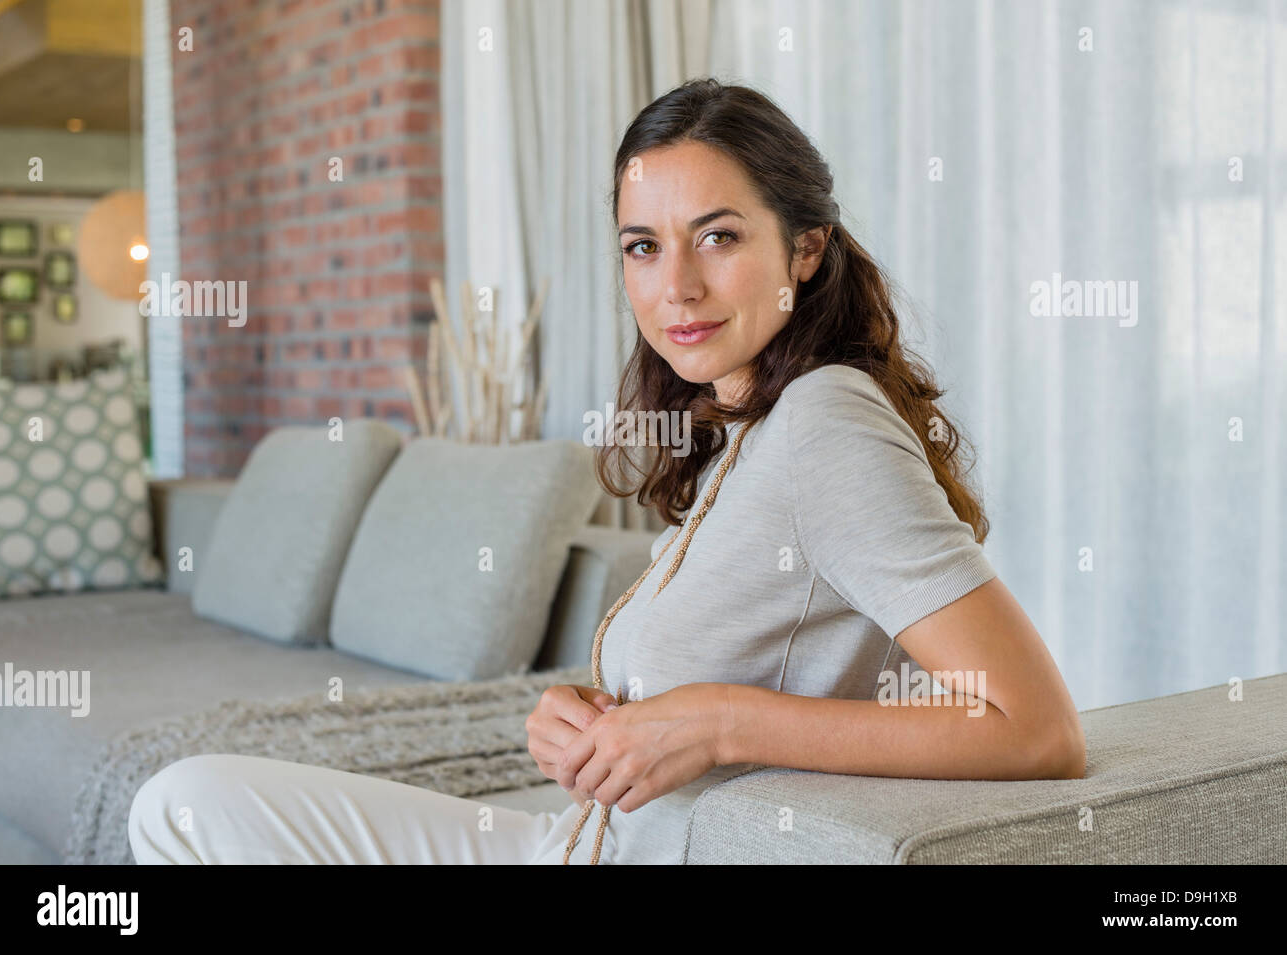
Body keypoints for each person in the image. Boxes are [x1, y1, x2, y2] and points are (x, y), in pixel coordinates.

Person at [129, 77, 1084, 866]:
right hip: (578, 842)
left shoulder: (826, 422)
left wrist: (718, 723)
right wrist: (587, 718)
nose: (677, 287)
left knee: (185, 808)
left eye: (718, 236)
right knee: (190, 798)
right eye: (643, 246)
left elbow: (1035, 728)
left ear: (805, 245)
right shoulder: (745, 429)